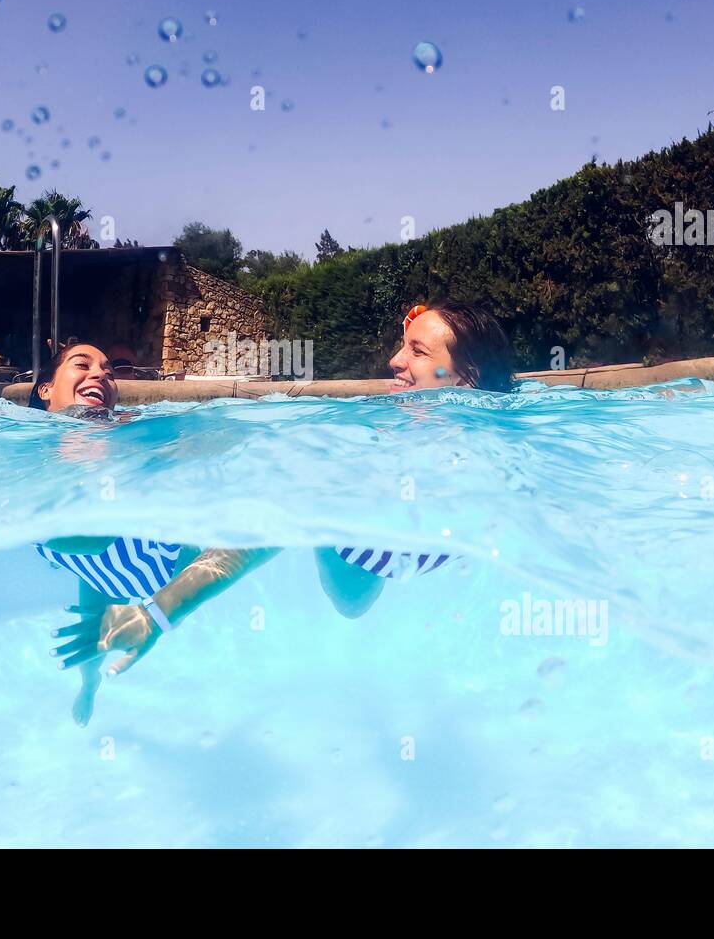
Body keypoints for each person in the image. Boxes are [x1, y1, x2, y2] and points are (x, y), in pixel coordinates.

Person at [29, 341, 275, 724]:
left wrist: (158, 614)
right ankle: (90, 684)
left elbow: (262, 531)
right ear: (45, 389)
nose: (101, 373)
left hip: (153, 564)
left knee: (94, 628)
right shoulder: (20, 444)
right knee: (91, 648)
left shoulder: (138, 432)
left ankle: (95, 674)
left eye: (109, 371)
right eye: (83, 364)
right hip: (91, 570)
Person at [317, 300, 515, 616]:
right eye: (402, 347)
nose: (394, 360)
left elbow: (358, 594)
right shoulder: (422, 431)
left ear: (465, 379)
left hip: (355, 579)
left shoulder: (471, 462)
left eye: (417, 351)